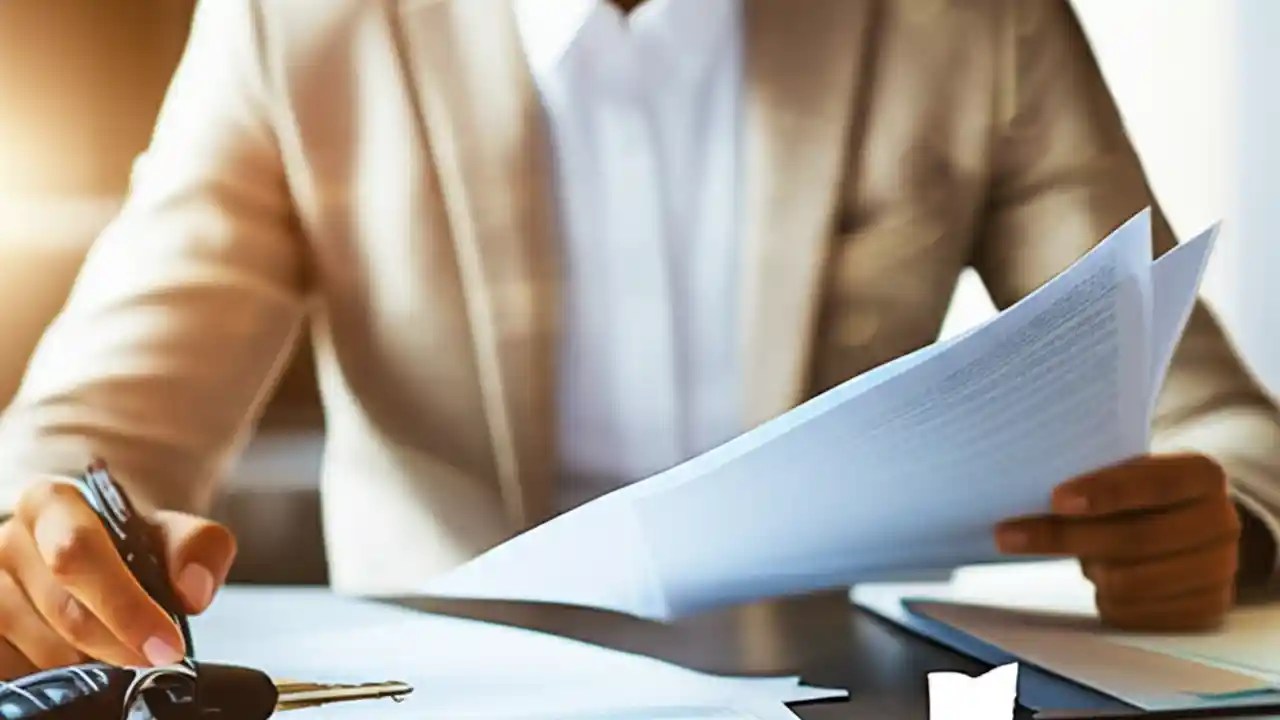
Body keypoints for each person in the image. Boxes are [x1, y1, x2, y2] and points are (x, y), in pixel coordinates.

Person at [0, 0, 1275, 679]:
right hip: (444, 702)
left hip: (847, 695)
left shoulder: (971, 20)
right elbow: (94, 420)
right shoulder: (299, 23)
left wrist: (1221, 522)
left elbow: (1216, 420)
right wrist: (48, 534)